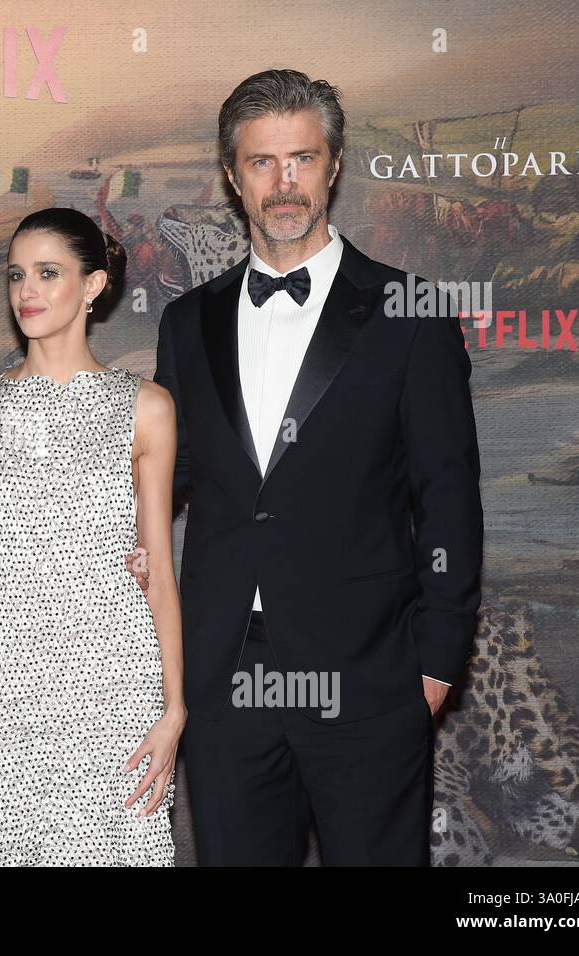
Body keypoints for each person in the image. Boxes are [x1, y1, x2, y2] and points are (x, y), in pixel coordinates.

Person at [154, 69, 482, 865]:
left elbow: (448, 496)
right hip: (226, 677)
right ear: (233, 175)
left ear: (333, 164)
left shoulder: (410, 311)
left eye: (302, 158)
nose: (284, 182)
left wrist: (436, 666)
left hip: (370, 676)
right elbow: (164, 473)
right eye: (262, 162)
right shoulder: (188, 321)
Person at [0, 207, 185, 866]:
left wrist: (174, 711)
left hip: (119, 680)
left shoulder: (148, 408)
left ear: (92, 286)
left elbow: (161, 577)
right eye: (16, 275)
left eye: (48, 273)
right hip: (6, 684)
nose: (26, 292)